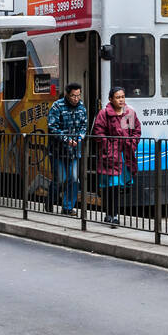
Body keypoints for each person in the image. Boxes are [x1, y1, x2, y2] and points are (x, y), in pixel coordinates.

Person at [91, 87, 141, 227]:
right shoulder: (104, 113)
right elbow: (98, 132)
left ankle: (113, 214)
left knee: (117, 186)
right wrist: (108, 145)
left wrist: (132, 142)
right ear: (111, 99)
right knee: (110, 186)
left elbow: (135, 130)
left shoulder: (128, 113)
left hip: (125, 155)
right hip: (110, 155)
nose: (121, 100)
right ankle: (111, 214)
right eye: (118, 97)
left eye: (123, 97)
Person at [46, 83, 87, 215]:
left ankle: (68, 207)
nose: (76, 98)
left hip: (74, 151)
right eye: (73, 96)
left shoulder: (81, 107)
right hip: (57, 150)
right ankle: (50, 200)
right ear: (67, 95)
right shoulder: (57, 106)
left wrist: (79, 138)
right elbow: (52, 127)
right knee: (60, 179)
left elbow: (84, 126)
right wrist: (66, 140)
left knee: (74, 178)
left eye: (78, 95)